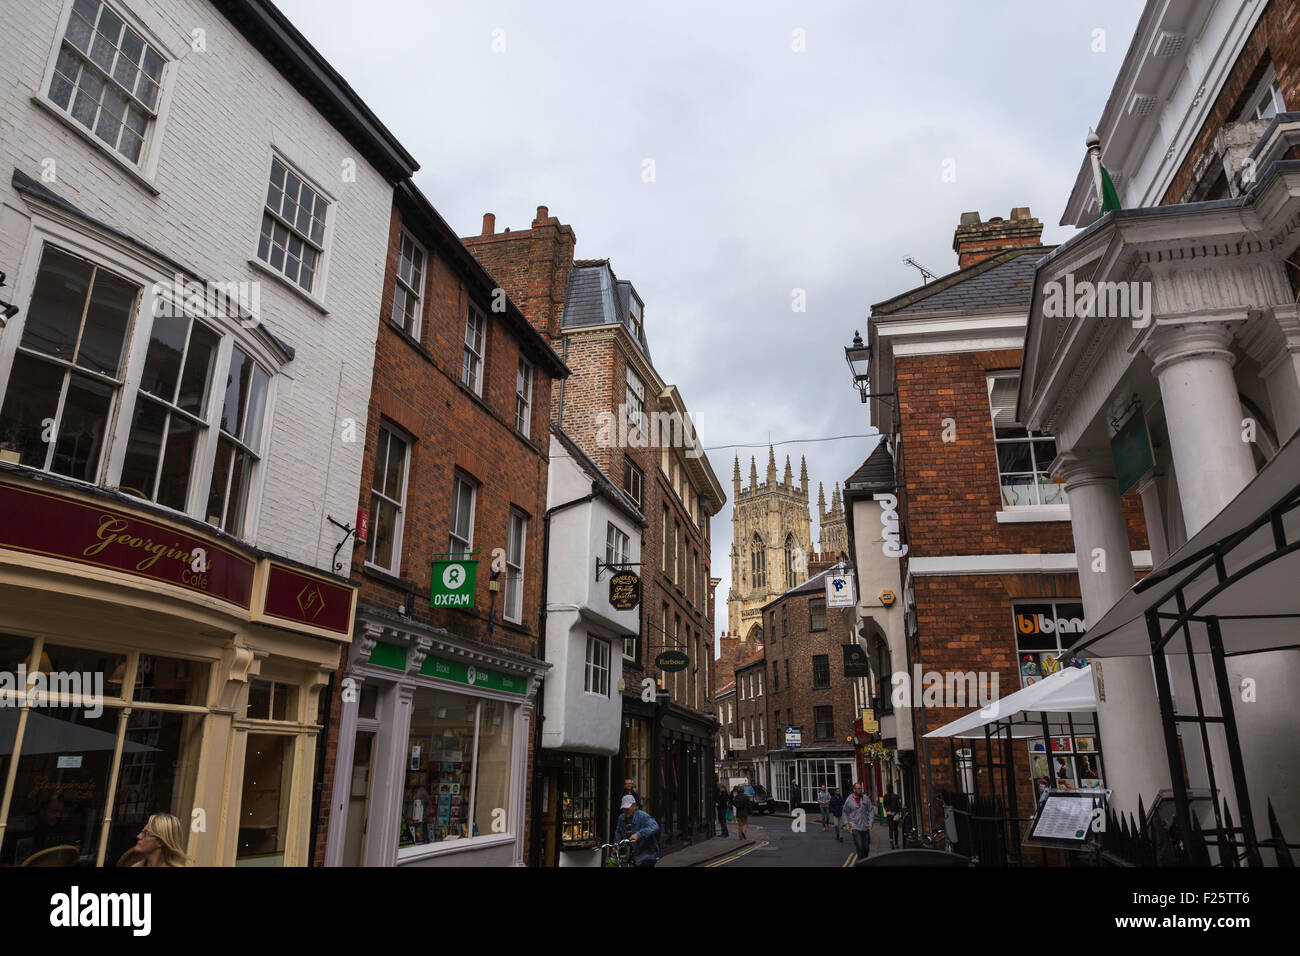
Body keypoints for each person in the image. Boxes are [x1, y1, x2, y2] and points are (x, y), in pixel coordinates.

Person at [613, 795, 660, 867]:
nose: (626, 811)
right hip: (632, 855)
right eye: (624, 809)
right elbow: (618, 831)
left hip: (647, 855)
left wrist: (639, 834)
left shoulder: (643, 816)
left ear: (634, 806)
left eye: (628, 808)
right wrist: (616, 844)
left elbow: (654, 826)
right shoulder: (621, 818)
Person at [843, 782, 873, 860]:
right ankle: (861, 862)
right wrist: (846, 824)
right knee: (860, 846)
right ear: (854, 789)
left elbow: (871, 810)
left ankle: (865, 860)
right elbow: (845, 812)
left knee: (866, 848)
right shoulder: (849, 800)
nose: (860, 790)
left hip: (865, 827)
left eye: (860, 788)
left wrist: (870, 822)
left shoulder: (866, 798)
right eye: (858, 789)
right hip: (855, 827)